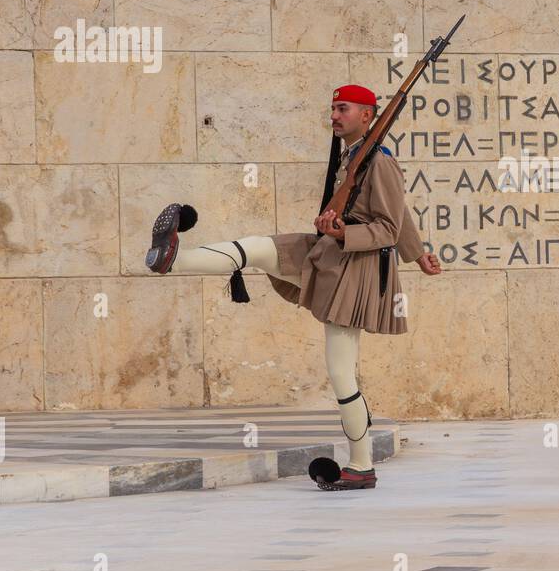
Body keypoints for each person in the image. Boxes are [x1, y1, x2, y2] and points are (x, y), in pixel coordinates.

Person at [144, 84, 442, 490]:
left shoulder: (381, 162)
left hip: (354, 269)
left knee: (341, 372)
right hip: (330, 252)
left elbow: (389, 225)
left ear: (368, 116)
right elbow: (401, 214)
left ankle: (361, 464)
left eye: (343, 109)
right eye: (333, 108)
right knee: (258, 248)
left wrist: (347, 234)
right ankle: (173, 258)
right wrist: (419, 254)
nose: (334, 116)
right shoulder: (355, 156)